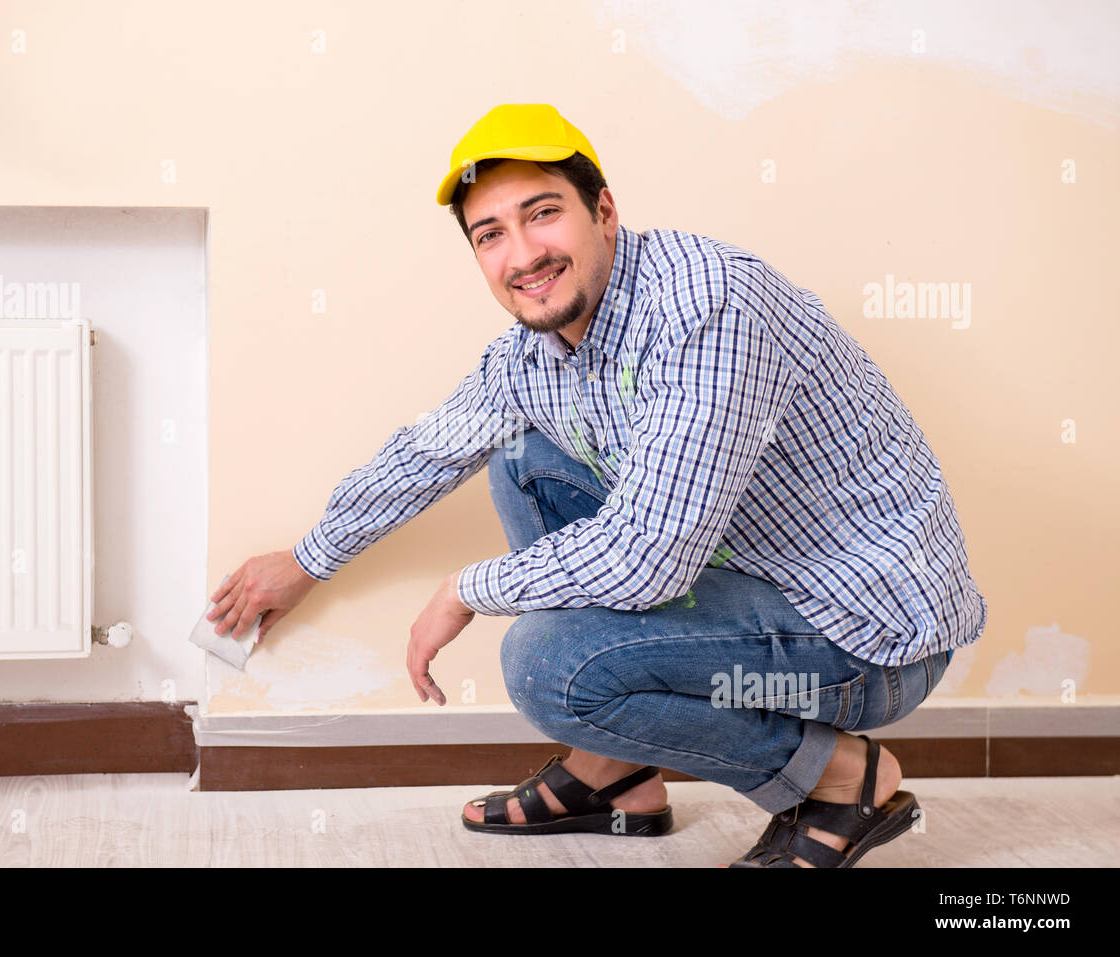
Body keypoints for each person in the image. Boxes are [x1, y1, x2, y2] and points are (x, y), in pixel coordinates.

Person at [205, 103, 987, 867]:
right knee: (522, 459)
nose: (523, 255)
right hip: (755, 581)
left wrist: (466, 588)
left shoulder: (706, 307)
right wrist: (308, 559)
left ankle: (847, 780)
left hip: (863, 627)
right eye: (491, 235)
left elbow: (652, 555)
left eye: (542, 213)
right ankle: (616, 774)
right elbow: (428, 450)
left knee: (548, 661)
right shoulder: (535, 351)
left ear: (604, 210)